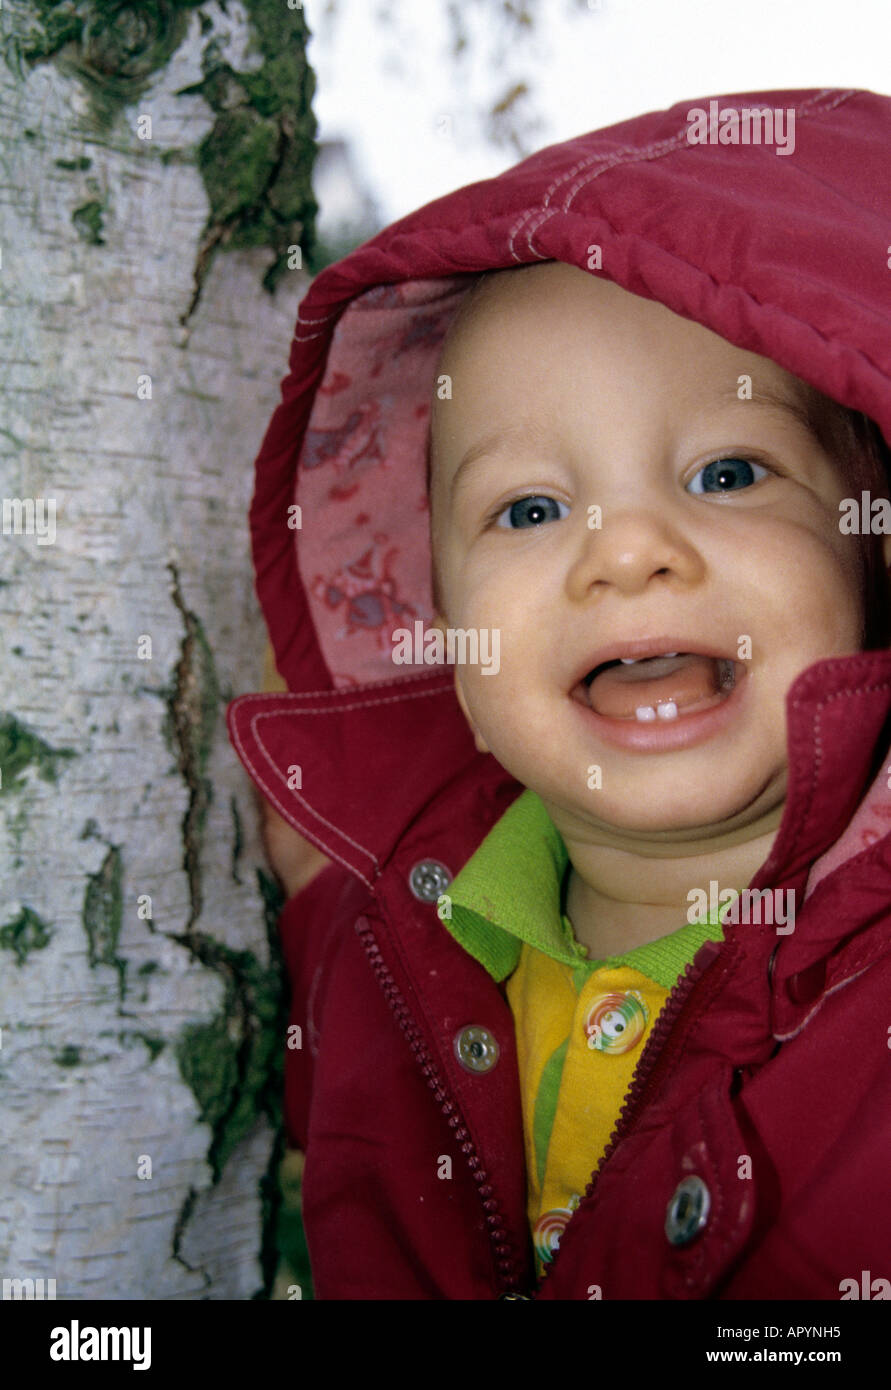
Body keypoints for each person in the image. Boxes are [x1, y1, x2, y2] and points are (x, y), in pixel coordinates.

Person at [227, 87, 891, 1299]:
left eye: (729, 470)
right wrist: (320, 880)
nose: (626, 550)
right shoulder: (390, 937)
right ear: (448, 646)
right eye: (529, 509)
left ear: (870, 547)